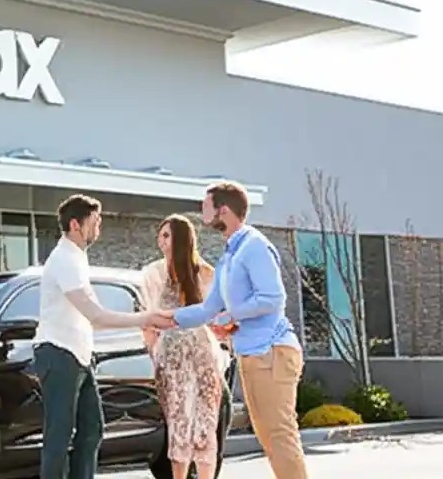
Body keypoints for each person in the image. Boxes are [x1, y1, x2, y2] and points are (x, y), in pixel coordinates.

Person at [163, 181, 310, 479]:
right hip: (253, 355)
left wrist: (231, 315)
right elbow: (207, 310)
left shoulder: (254, 245)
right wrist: (166, 318)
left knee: (279, 436)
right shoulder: (230, 254)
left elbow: (273, 298)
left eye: (206, 205)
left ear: (224, 210)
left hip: (272, 352)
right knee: (269, 437)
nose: (202, 211)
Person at [34, 194, 174, 479]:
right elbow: (96, 315)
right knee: (58, 439)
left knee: (91, 430)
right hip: (59, 354)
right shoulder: (64, 261)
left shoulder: (76, 258)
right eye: (95, 222)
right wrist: (144, 318)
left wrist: (143, 321)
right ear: (76, 224)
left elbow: (93, 320)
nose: (99, 228)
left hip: (79, 357)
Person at [139, 214, 226, 479]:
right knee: (178, 422)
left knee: (206, 421)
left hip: (203, 353)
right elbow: (147, 318)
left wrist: (225, 350)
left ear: (180, 239)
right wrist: (153, 351)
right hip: (172, 355)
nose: (161, 241)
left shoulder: (206, 272)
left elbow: (218, 316)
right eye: (160, 235)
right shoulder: (154, 273)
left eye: (166, 235)